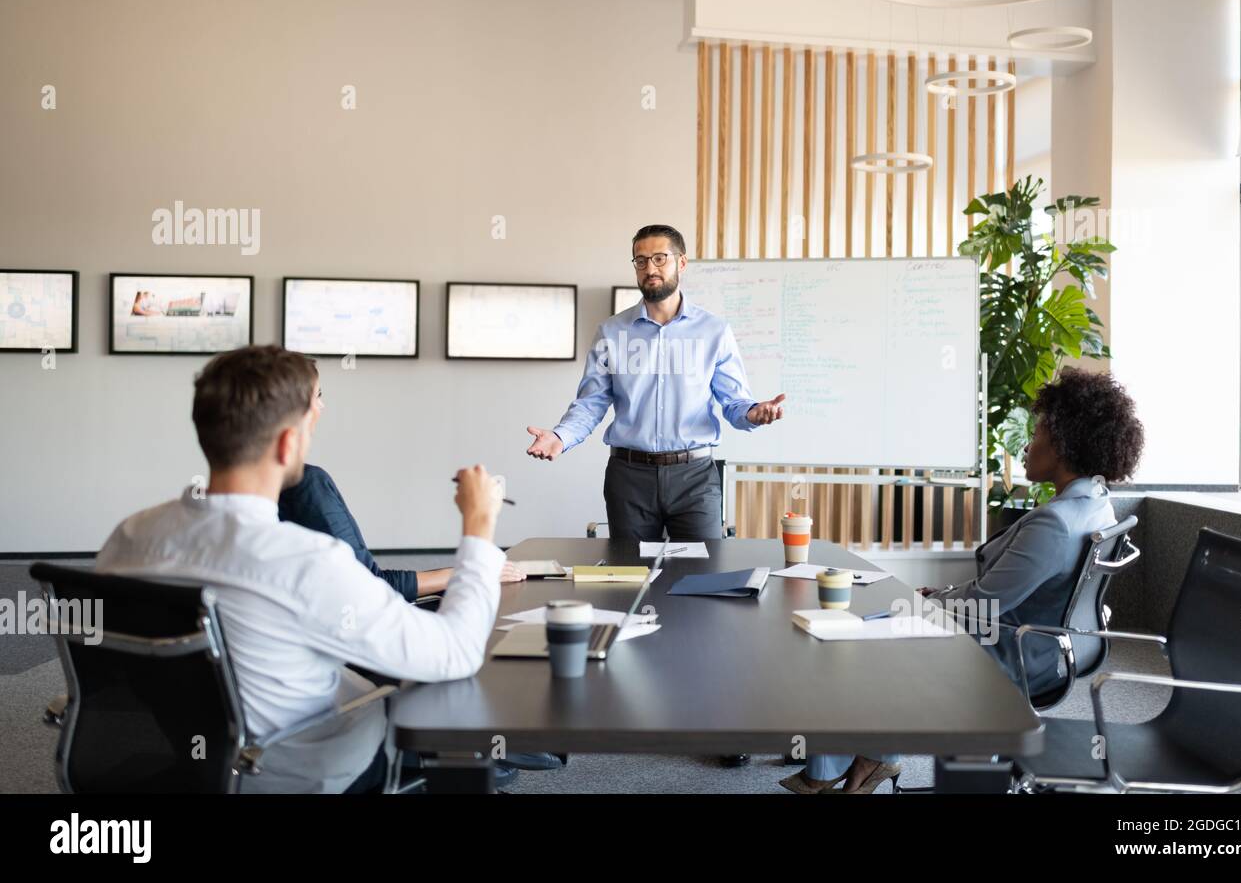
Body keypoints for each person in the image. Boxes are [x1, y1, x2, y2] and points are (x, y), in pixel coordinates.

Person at [95, 344, 507, 792]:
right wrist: (479, 524)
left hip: (184, 758)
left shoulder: (129, 536)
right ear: (289, 442)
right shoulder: (306, 562)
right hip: (303, 772)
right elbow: (457, 652)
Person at [781, 367, 1145, 794]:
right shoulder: (1096, 503)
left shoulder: (1056, 524)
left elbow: (986, 604)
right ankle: (867, 759)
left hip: (1015, 651)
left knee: (858, 639)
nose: (1027, 446)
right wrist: (934, 598)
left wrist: (927, 602)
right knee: (878, 628)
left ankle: (840, 768)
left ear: (1063, 444)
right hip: (1052, 644)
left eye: (1039, 432)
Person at [525, 224, 786, 541]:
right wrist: (561, 436)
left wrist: (754, 412)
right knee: (630, 579)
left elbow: (734, 404)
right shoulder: (611, 332)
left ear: (682, 263)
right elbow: (591, 403)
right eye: (641, 260)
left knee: (700, 579)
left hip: (695, 478)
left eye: (660, 258)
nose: (650, 268)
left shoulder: (714, 331)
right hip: (629, 477)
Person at [278, 459, 524, 602]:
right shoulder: (307, 483)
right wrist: (475, 566)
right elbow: (369, 587)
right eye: (317, 396)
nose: (322, 407)